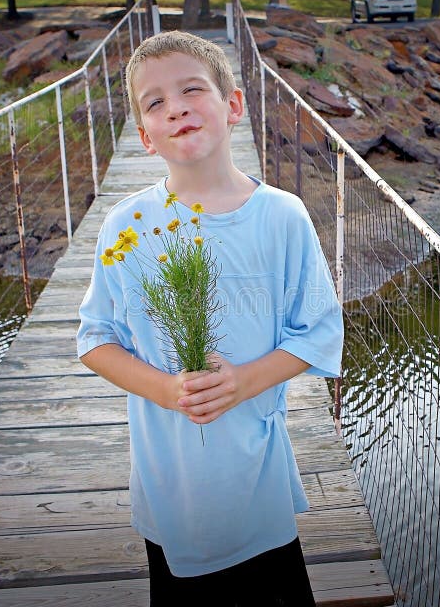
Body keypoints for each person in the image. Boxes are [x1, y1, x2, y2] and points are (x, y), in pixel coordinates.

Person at [76, 30, 343, 606]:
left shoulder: (282, 218)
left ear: (234, 105)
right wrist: (170, 390)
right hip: (171, 480)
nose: (175, 107)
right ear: (144, 137)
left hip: (256, 479)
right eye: (154, 103)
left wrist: (244, 381)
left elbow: (319, 329)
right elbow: (96, 339)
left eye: (192, 89)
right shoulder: (127, 226)